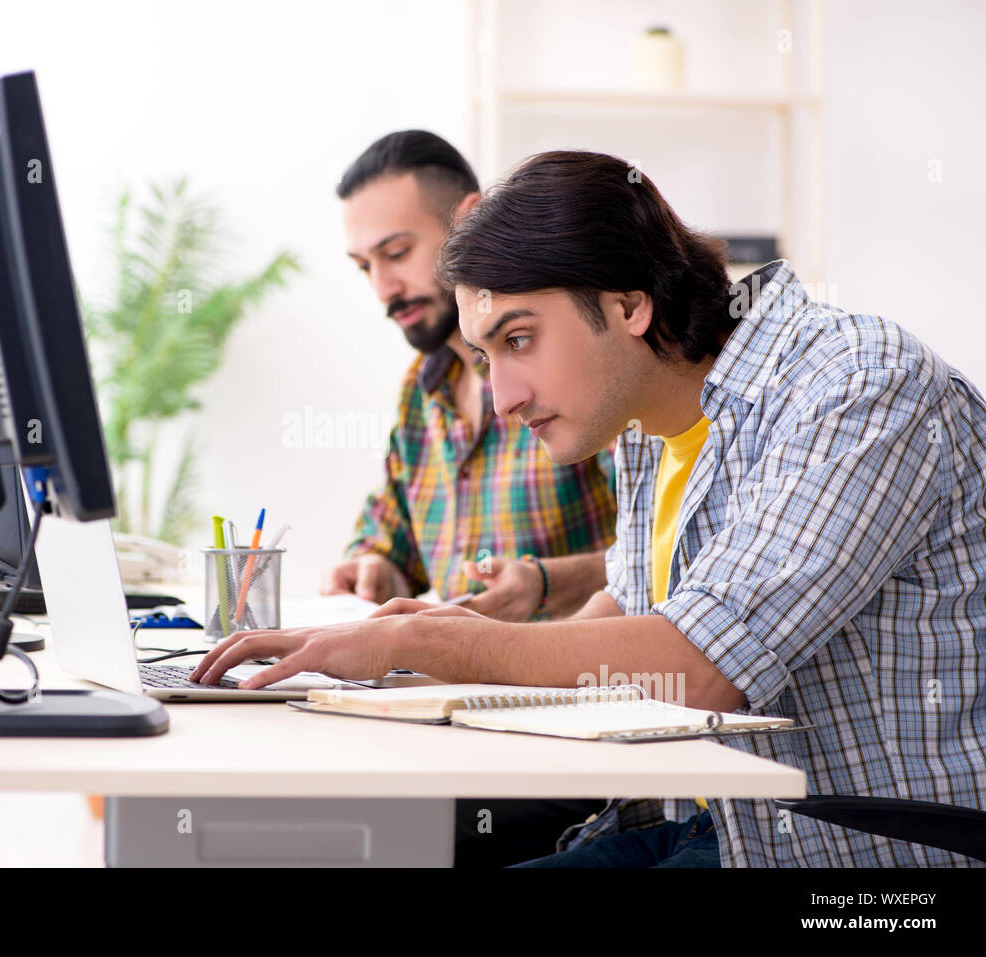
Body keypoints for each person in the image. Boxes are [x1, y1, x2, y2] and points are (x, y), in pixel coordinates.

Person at [195, 150, 986, 867]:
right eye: (485, 356)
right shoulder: (648, 420)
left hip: (860, 859)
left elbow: (699, 669)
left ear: (628, 305)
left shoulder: (859, 387)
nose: (502, 397)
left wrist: (429, 638)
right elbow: (627, 622)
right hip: (704, 822)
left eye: (519, 340)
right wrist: (471, 639)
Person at [322, 131, 616, 622]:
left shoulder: (576, 364)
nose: (383, 289)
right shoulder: (421, 387)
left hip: (579, 685)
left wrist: (549, 585)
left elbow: (672, 553)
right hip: (456, 685)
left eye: (396, 254)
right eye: (363, 267)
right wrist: (374, 567)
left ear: (468, 219)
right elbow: (390, 541)